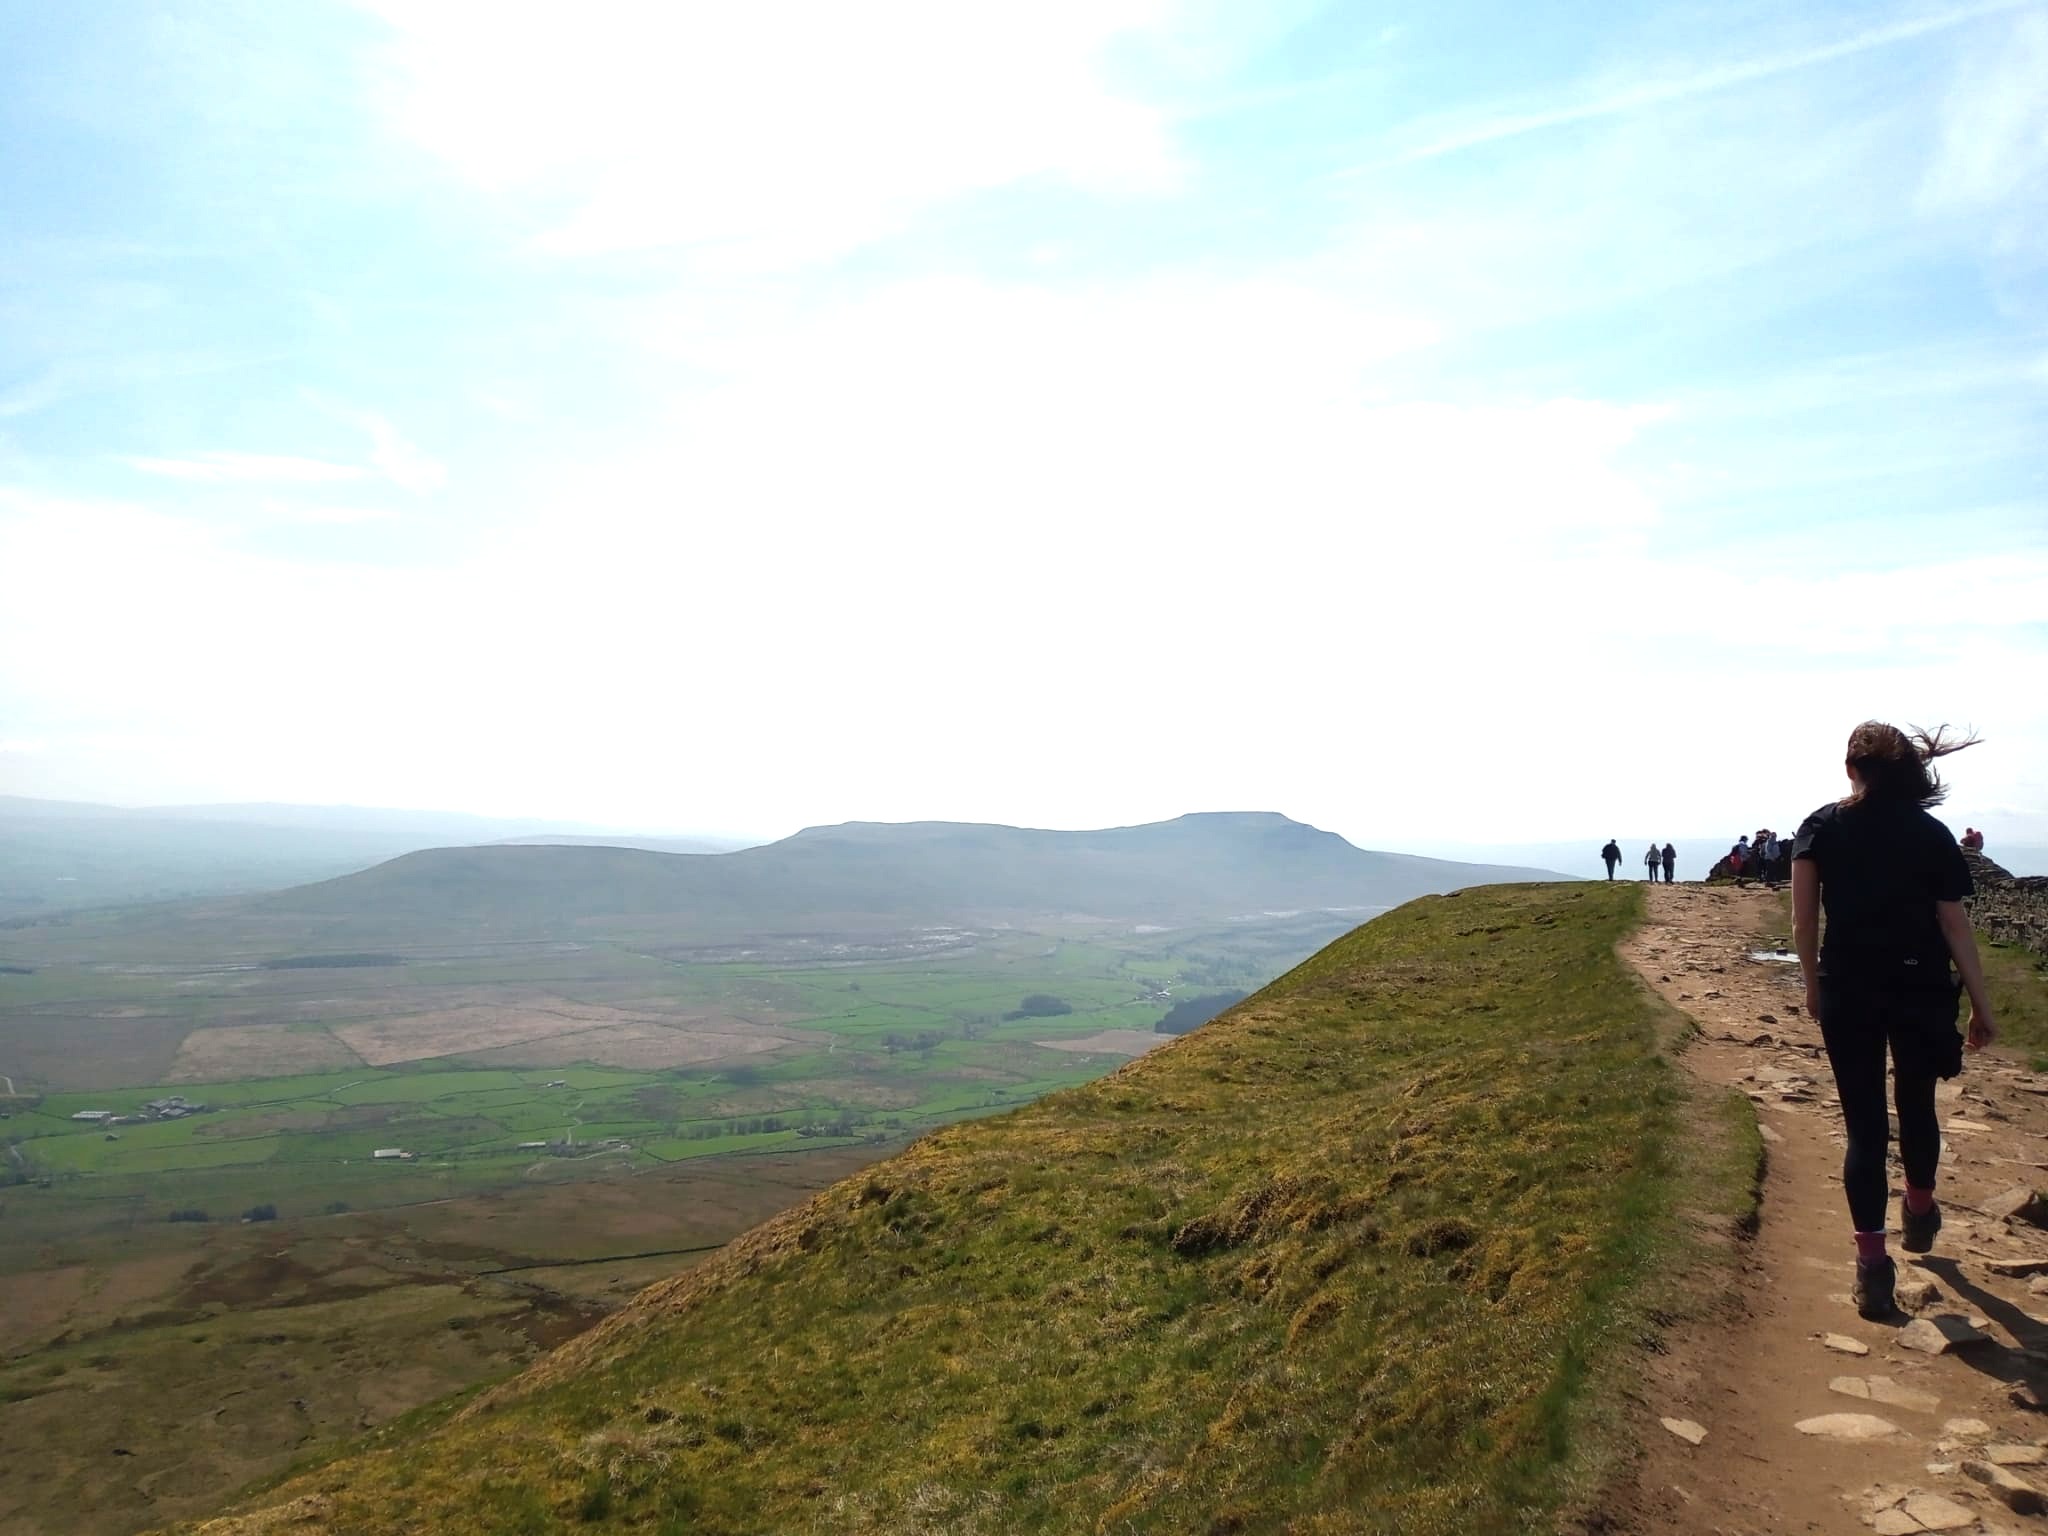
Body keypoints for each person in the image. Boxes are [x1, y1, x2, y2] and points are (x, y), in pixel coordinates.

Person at [1792, 722, 1997, 1320]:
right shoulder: (1930, 832)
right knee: (1917, 1104)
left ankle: (1872, 1266)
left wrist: (1812, 984)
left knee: (1864, 1127)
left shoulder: (1821, 826)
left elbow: (1805, 923)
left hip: (1848, 987)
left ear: (1851, 768)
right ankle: (1920, 1206)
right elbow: (1954, 924)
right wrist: (1981, 1006)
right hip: (1921, 986)